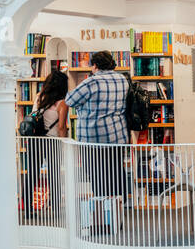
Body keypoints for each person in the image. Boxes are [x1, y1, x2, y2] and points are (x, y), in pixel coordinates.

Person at [65, 50, 131, 199]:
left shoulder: (92, 81)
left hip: (93, 138)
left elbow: (70, 100)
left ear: (95, 65)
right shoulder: (122, 79)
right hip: (117, 135)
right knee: (115, 170)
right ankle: (118, 206)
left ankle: (103, 207)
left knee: (97, 174)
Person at [22, 68, 70, 218]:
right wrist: (64, 142)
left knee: (32, 174)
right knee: (54, 175)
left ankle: (28, 209)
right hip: (52, 141)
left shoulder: (38, 97)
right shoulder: (62, 103)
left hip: (35, 141)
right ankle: (55, 208)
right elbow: (61, 127)